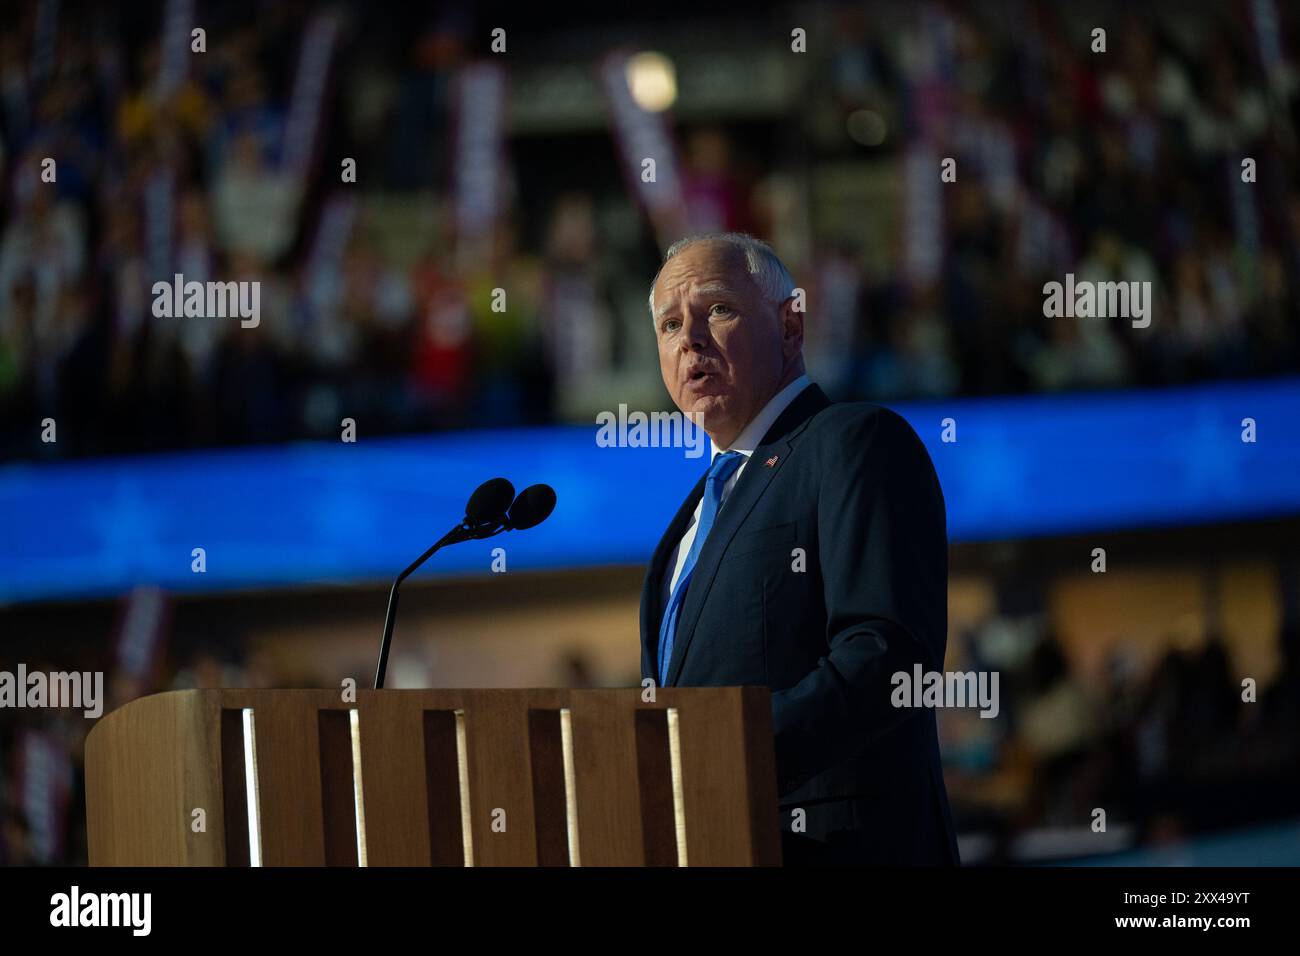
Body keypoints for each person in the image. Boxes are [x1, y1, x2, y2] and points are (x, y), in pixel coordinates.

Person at [640, 232, 960, 865]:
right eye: (670, 325)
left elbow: (888, 659)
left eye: (718, 310)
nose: (690, 340)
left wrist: (729, 759)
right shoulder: (681, 530)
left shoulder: (854, 442)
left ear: (792, 325)